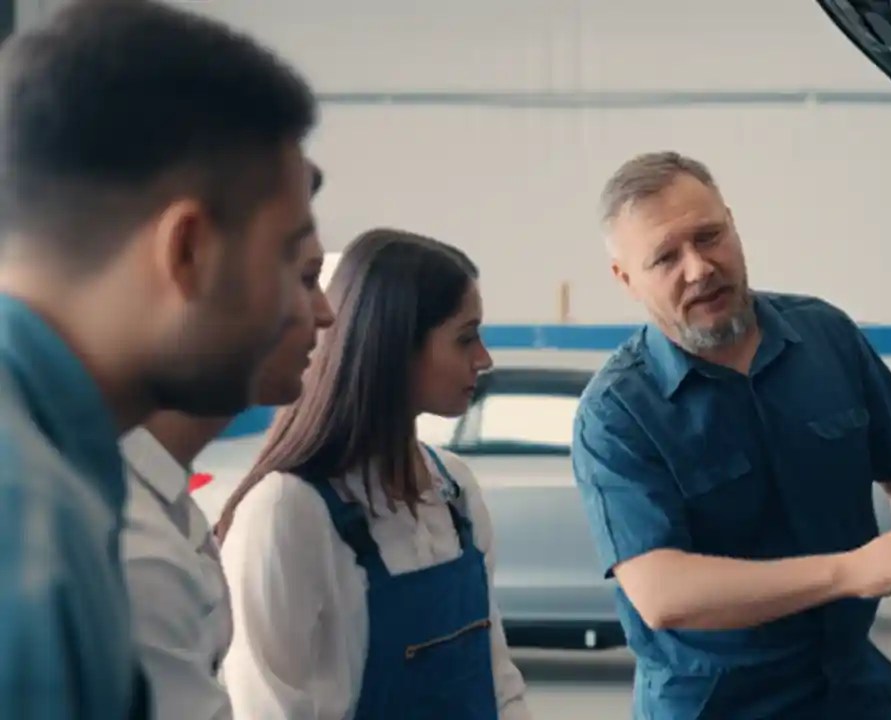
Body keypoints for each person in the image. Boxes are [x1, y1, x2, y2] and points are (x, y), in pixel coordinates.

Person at [571, 151, 891, 719]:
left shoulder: (825, 336)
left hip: (853, 694)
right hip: (719, 707)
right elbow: (662, 593)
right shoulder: (617, 414)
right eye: (665, 258)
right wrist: (853, 571)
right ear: (625, 278)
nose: (699, 268)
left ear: (733, 223)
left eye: (709, 236)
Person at [0, 2, 317, 718]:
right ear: (188, 252)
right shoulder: (26, 521)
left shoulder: (65, 473)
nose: (305, 311)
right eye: (285, 260)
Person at [214, 228, 532, 720]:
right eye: (465, 338)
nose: (484, 358)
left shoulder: (455, 492)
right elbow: (266, 709)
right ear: (394, 346)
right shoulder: (288, 512)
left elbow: (498, 678)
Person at [121, 162, 335, 720]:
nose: (326, 313)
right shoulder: (129, 549)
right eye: (306, 277)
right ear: (188, 259)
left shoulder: (164, 503)